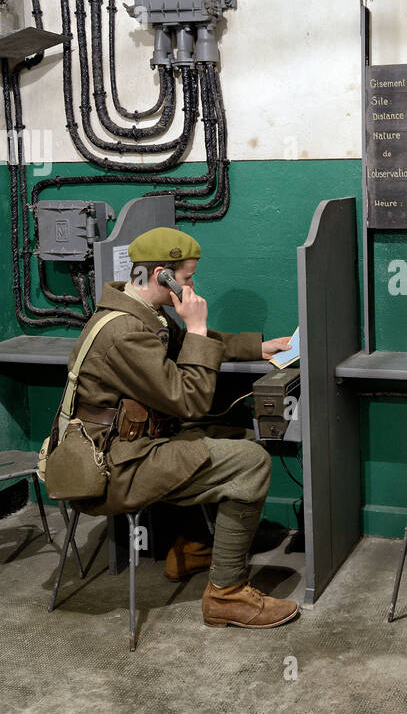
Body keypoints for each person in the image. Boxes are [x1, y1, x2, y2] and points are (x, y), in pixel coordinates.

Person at [62, 226, 299, 629]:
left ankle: (191, 547)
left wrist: (255, 347)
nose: (191, 286)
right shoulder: (125, 333)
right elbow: (190, 399)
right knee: (251, 461)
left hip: (127, 447)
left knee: (232, 437)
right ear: (162, 276)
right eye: (187, 278)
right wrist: (198, 326)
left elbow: (180, 344)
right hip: (111, 468)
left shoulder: (140, 312)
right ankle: (226, 594)